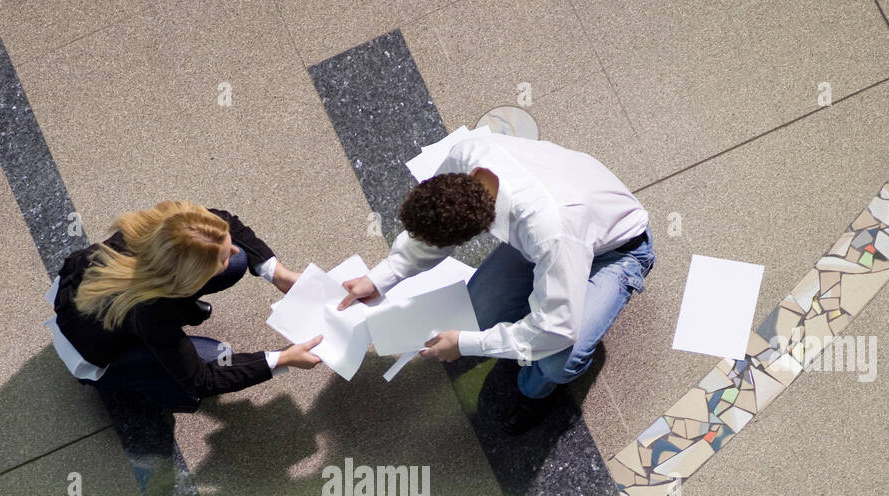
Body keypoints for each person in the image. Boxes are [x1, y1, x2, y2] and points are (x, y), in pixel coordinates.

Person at [339, 132, 653, 433]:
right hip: (556, 236)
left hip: (615, 252)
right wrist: (381, 278)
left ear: (477, 231)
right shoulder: (467, 155)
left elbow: (556, 329)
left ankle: (535, 392)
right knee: (475, 314)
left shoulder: (548, 232)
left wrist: (464, 344)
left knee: (558, 358)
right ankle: (545, 294)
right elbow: (431, 233)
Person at [46, 201, 322, 412]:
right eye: (224, 256)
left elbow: (224, 222)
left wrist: (277, 273)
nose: (235, 250)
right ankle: (139, 388)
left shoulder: (170, 227)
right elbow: (203, 379)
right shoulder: (151, 313)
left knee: (238, 263)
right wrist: (282, 359)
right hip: (98, 352)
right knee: (205, 366)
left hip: (106, 303)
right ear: (187, 281)